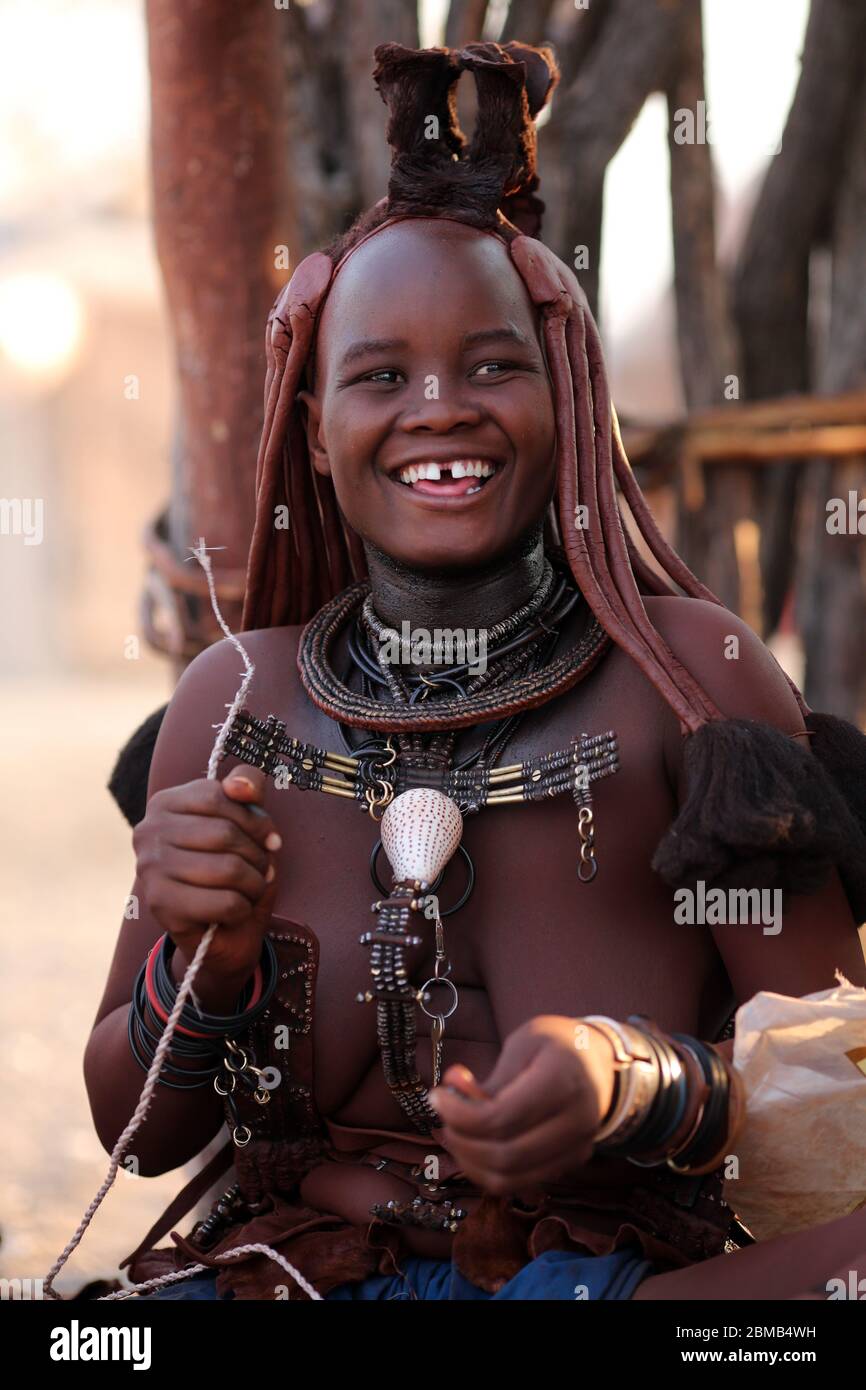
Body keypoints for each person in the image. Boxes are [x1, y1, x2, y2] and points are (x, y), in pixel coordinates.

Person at [86, 41, 866, 1301]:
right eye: (380, 376)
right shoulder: (233, 704)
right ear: (313, 427)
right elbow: (137, 1139)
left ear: (568, 397)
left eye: (492, 365)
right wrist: (206, 966)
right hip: (289, 1276)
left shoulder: (685, 682)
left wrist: (636, 1081)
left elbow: (841, 1107)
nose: (437, 407)